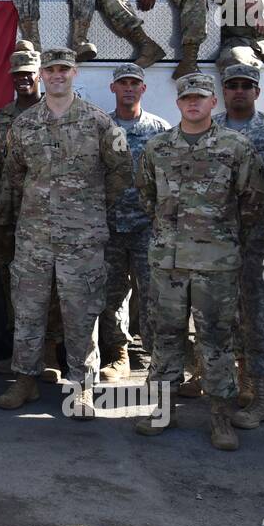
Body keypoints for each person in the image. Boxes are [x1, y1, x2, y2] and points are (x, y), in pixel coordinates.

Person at [0, 48, 133, 418]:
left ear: (74, 73)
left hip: (82, 238)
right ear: (41, 75)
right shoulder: (24, 126)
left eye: (64, 69)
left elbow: (121, 173)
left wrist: (89, 208)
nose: (57, 75)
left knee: (80, 313)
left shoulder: (100, 123)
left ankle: (81, 388)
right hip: (35, 237)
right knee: (28, 311)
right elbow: (15, 175)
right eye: (51, 69)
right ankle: (24, 381)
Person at [134, 73, 264, 449]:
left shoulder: (236, 147)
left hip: (216, 263)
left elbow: (253, 201)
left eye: (201, 97)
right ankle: (162, 411)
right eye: (186, 98)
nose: (193, 103)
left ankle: (220, 418)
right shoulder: (158, 148)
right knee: (165, 337)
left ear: (213, 103)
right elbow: (146, 195)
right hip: (168, 263)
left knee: (217, 340)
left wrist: (223, 236)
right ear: (178, 104)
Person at [212, 63, 264, 423]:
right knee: (220, 318)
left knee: (262, 320)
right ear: (223, 91)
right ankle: (226, 383)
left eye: (246, 85)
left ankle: (262, 394)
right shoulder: (208, 129)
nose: (239, 91)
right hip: (219, 241)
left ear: (258, 93)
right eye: (232, 85)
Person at [98, 63, 170, 382]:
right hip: (111, 225)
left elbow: (169, 180)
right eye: (122, 83)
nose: (128, 88)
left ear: (143, 89)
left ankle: (159, 359)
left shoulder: (159, 129)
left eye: (134, 83)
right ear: (113, 88)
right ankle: (119, 355)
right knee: (112, 295)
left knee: (154, 294)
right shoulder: (101, 127)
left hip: (147, 227)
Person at [0, 44, 41, 362]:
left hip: (42, 215)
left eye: (28, 74)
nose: (23, 79)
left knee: (44, 285)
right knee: (11, 282)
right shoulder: (2, 118)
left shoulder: (53, 114)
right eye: (17, 74)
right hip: (8, 215)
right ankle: (18, 351)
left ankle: (46, 352)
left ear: (39, 76)